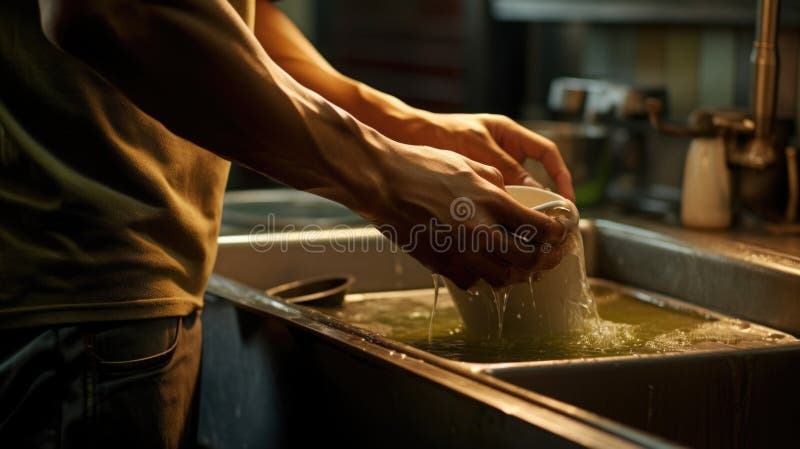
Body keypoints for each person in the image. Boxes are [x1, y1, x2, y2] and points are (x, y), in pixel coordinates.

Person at [0, 0, 574, 447]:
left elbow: (233, 21)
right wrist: (383, 172)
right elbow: (116, 10)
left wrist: (397, 125)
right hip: (76, 306)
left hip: (97, 303)